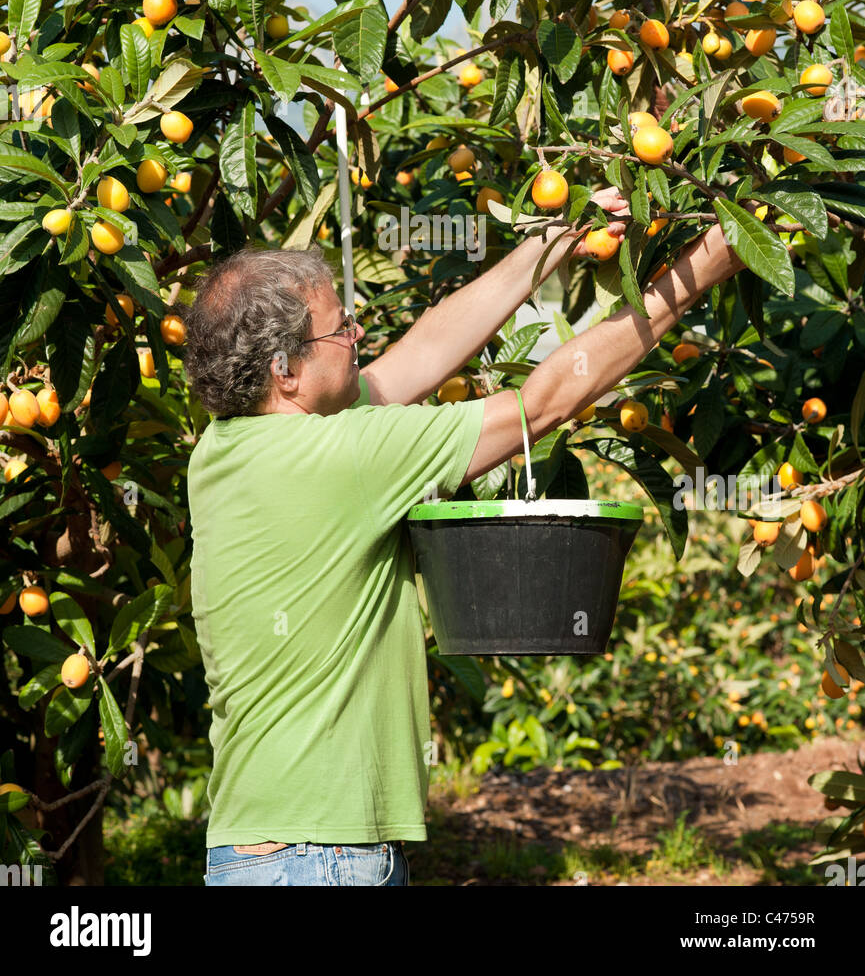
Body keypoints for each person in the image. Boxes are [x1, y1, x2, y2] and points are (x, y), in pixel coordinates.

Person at [183, 194, 744, 886]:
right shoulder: (345, 457)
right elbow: (545, 402)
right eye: (340, 331)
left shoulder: (222, 449)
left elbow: (421, 352)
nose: (357, 336)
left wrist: (555, 240)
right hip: (317, 860)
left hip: (262, 850)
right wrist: (700, 271)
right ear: (284, 370)